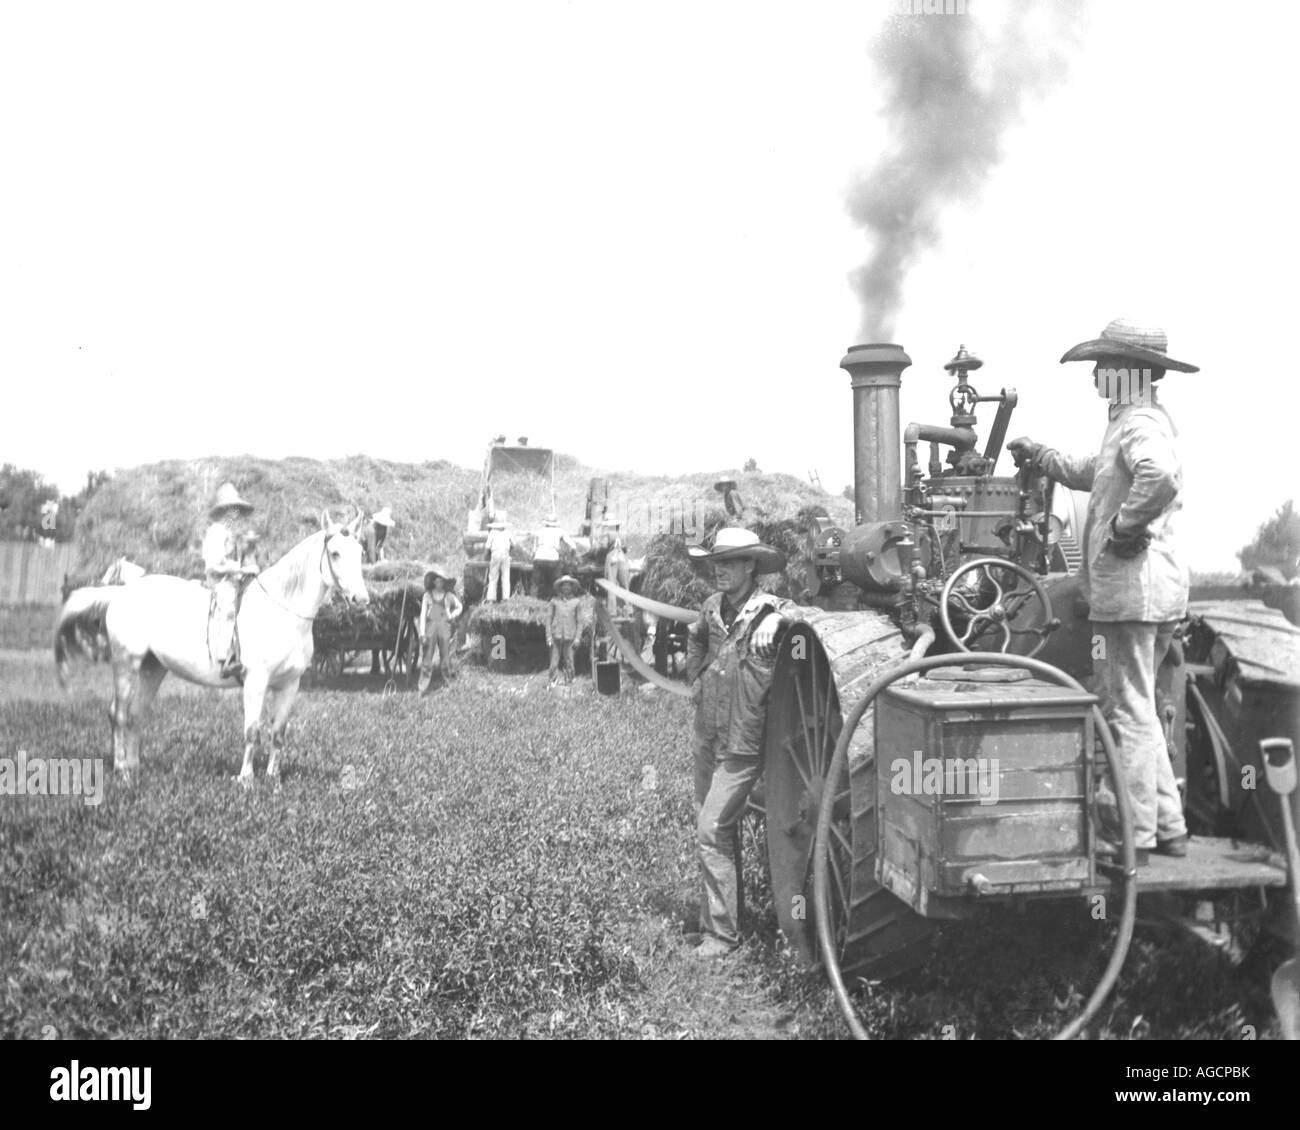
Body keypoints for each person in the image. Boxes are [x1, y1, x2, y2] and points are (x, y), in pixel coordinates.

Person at [1008, 317, 1197, 867]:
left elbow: (1159, 476)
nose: (1096, 375)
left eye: (1104, 365)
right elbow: (1097, 472)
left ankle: (1131, 836)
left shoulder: (1139, 423)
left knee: (1125, 711)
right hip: (1153, 594)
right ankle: (1168, 825)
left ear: (1129, 372)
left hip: (1133, 593)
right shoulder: (1134, 420)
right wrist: (1044, 457)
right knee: (1143, 706)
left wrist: (1123, 528)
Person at [685, 527, 795, 957]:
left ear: (751, 565)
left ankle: (722, 937)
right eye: (717, 563)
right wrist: (696, 678)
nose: (720, 570)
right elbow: (696, 637)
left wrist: (778, 620)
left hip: (743, 743)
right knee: (715, 828)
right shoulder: (711, 607)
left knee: (711, 829)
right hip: (708, 734)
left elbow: (811, 621)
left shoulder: (772, 609)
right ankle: (723, 921)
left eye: (729, 562)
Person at [202, 482, 257, 680]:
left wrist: (249, 570)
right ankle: (224, 658)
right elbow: (213, 565)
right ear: (224, 511)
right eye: (233, 510)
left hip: (235, 580)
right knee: (229, 610)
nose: (236, 515)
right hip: (220, 582)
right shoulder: (216, 532)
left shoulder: (233, 535)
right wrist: (239, 569)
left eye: (238, 511)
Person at [418, 566, 463, 693]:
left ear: (444, 582)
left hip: (444, 627)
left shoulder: (448, 596)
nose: (439, 583)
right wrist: (422, 633)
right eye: (437, 581)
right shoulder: (427, 596)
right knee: (427, 658)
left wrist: (452, 615)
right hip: (431, 627)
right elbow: (423, 615)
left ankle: (448, 683)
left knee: (445, 657)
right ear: (433, 582)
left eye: (442, 581)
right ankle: (423, 687)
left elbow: (459, 606)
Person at [547, 575, 583, 686]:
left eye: (568, 585)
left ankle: (570, 681)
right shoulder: (554, 601)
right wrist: (549, 636)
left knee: (569, 660)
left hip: (570, 636)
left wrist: (577, 638)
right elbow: (548, 620)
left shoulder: (576, 602)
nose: (566, 588)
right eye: (564, 585)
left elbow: (580, 621)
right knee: (554, 661)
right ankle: (553, 682)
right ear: (561, 587)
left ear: (572, 587)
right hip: (556, 636)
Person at [531, 513, 574, 600]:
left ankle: (534, 599)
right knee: (556, 580)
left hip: (539, 558)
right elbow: (573, 546)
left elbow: (534, 550)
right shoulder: (560, 531)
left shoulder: (539, 532)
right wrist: (571, 555)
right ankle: (558, 597)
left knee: (537, 581)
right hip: (553, 559)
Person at [602, 518, 631, 616]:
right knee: (624, 585)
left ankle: (612, 611)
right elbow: (625, 548)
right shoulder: (622, 534)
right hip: (622, 557)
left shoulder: (607, 535)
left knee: (611, 585)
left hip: (612, 558)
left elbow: (603, 547)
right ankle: (628, 609)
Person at [484, 517, 512, 602]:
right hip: (505, 555)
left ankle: (491, 598)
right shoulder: (507, 532)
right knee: (506, 576)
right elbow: (513, 544)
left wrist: (486, 556)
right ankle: (506, 598)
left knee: (493, 577)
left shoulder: (492, 533)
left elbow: (487, 547)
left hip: (495, 554)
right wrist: (509, 551)